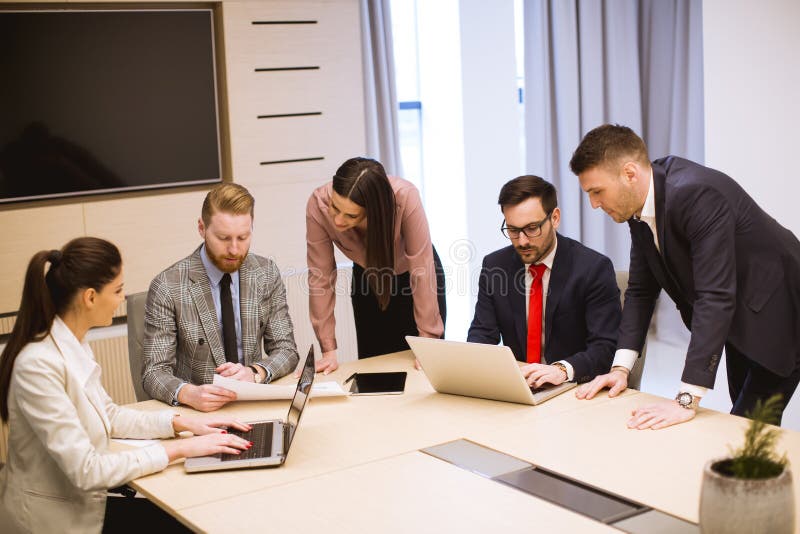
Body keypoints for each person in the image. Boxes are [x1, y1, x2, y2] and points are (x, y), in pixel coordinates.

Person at [0, 237, 251, 534]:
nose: (122, 299)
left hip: (83, 505)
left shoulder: (72, 342)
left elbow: (111, 415)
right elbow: (87, 470)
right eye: (118, 290)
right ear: (90, 297)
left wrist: (184, 423)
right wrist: (182, 449)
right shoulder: (37, 366)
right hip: (53, 522)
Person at [570, 124, 800, 428]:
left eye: (597, 192)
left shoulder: (696, 194)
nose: (594, 204)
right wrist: (620, 369)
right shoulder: (639, 208)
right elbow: (640, 290)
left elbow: (714, 296)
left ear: (629, 174)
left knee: (747, 434)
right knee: (745, 428)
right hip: (740, 317)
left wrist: (686, 399)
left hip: (781, 311)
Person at [142, 183, 299, 411]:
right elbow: (153, 372)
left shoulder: (265, 273)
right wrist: (189, 394)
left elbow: (287, 350)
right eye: (224, 238)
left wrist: (255, 373)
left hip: (253, 406)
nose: (234, 250)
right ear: (201, 228)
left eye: (243, 237)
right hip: (198, 414)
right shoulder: (167, 286)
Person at [468, 175, 621, 387]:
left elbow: (606, 347)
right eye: (513, 230)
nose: (522, 241)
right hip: (519, 386)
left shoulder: (593, 268)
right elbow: (482, 333)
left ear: (555, 218)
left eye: (532, 228)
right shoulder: (495, 265)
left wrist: (562, 370)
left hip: (573, 387)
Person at [306, 157, 446, 373]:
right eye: (335, 208)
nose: (338, 221)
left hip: (413, 274)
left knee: (421, 368)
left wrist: (428, 340)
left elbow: (422, 270)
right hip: (367, 277)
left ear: (373, 210)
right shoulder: (318, 202)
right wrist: (328, 350)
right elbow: (320, 276)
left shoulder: (405, 196)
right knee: (374, 369)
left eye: (351, 215)